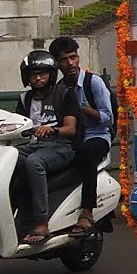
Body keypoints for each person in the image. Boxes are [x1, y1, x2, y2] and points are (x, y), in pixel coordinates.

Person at [13, 51, 81, 244]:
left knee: (35, 163)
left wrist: (52, 129)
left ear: (51, 75)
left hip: (60, 145)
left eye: (43, 73)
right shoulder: (24, 99)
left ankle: (42, 221)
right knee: (7, 157)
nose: (38, 77)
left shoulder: (65, 94)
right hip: (33, 146)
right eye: (33, 74)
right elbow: (17, 125)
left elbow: (70, 129)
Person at [49, 36, 113, 237]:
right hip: (71, 139)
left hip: (97, 136)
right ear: (57, 64)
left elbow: (108, 118)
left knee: (86, 153)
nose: (70, 64)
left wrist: (84, 109)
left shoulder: (93, 82)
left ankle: (87, 211)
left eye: (73, 58)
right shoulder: (59, 89)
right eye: (64, 60)